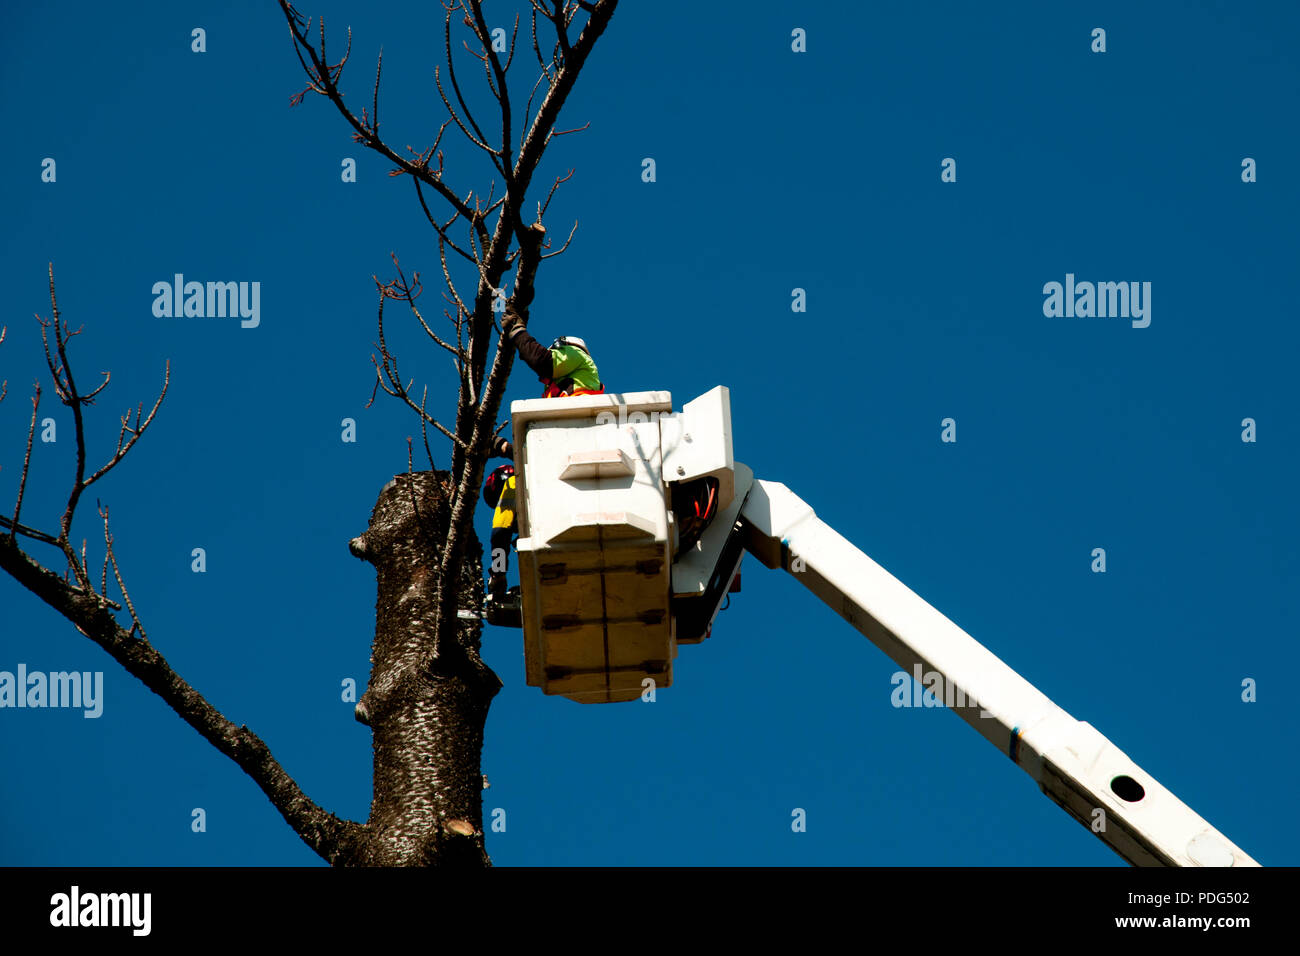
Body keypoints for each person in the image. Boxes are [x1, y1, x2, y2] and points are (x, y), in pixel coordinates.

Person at [483, 308, 605, 613]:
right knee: (503, 524)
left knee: (509, 498)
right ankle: (500, 572)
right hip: (562, 467)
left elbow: (541, 360)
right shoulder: (558, 398)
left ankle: (502, 570)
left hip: (579, 454)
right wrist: (500, 446)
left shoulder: (578, 359)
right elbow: (539, 451)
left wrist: (516, 332)